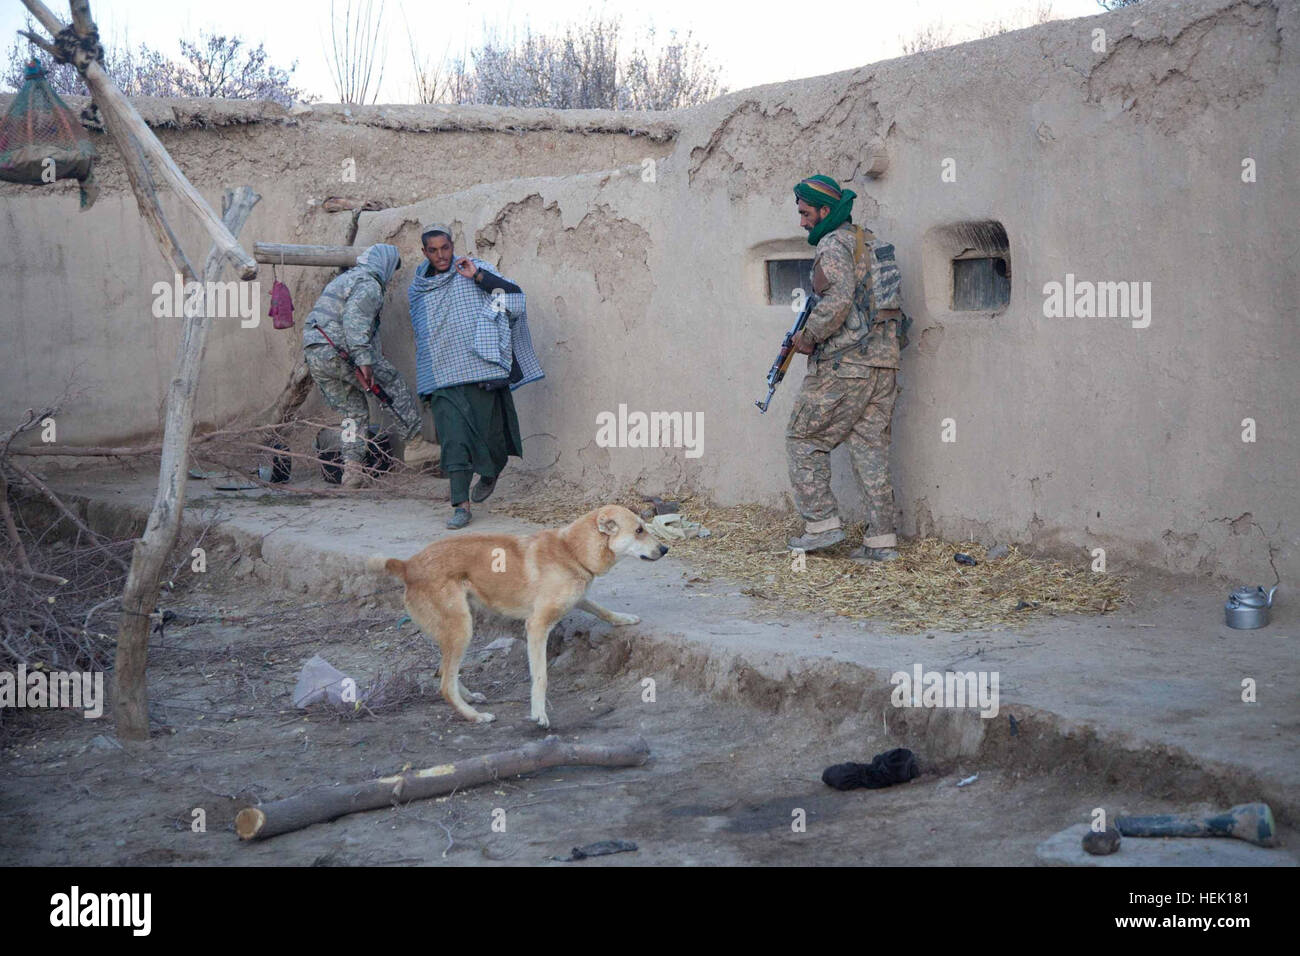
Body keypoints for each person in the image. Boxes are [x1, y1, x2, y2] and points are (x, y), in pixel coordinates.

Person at [784, 175, 905, 562]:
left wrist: (808, 336)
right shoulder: (868, 242)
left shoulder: (834, 244)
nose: (803, 222)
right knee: (870, 448)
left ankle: (821, 527)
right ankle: (881, 542)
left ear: (824, 210)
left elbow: (836, 300)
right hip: (883, 365)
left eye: (806, 213)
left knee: (802, 439)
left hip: (846, 366)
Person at [408, 224, 544, 529]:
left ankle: (492, 471)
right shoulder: (419, 288)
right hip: (444, 377)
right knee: (454, 442)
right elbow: (423, 336)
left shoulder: (475, 270)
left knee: (491, 440)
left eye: (445, 248)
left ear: (453, 246)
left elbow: (514, 298)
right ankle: (461, 505)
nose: (441, 255)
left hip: (481, 372)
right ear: (424, 252)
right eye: (433, 250)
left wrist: (477, 277)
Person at [302, 243, 437, 489]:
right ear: (384, 264)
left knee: (352, 414)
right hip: (339, 351)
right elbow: (355, 321)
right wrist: (364, 361)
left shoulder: (346, 279)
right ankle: (416, 444)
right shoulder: (369, 284)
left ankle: (351, 471)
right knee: (391, 382)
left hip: (316, 354)